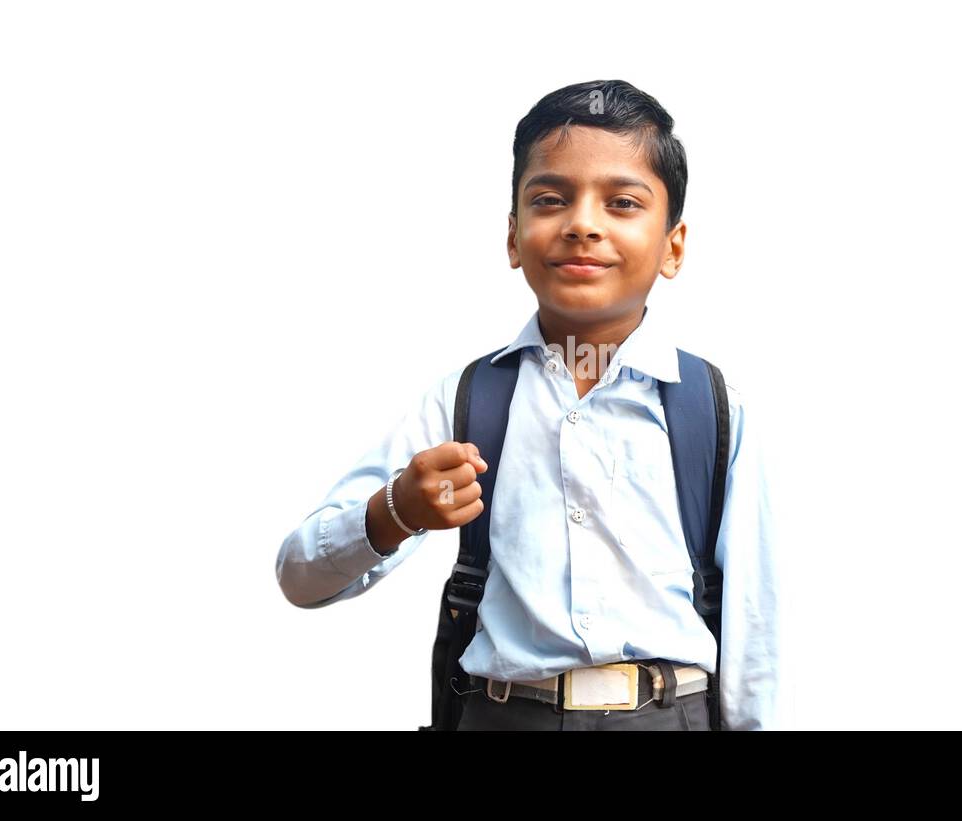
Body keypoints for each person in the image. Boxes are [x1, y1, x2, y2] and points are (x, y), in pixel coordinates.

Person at [275, 79, 782, 730]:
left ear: (672, 246)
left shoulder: (712, 411)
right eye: (551, 199)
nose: (583, 224)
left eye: (623, 202)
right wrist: (397, 510)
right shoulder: (467, 402)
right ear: (514, 238)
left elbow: (754, 624)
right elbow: (300, 577)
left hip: (668, 715)